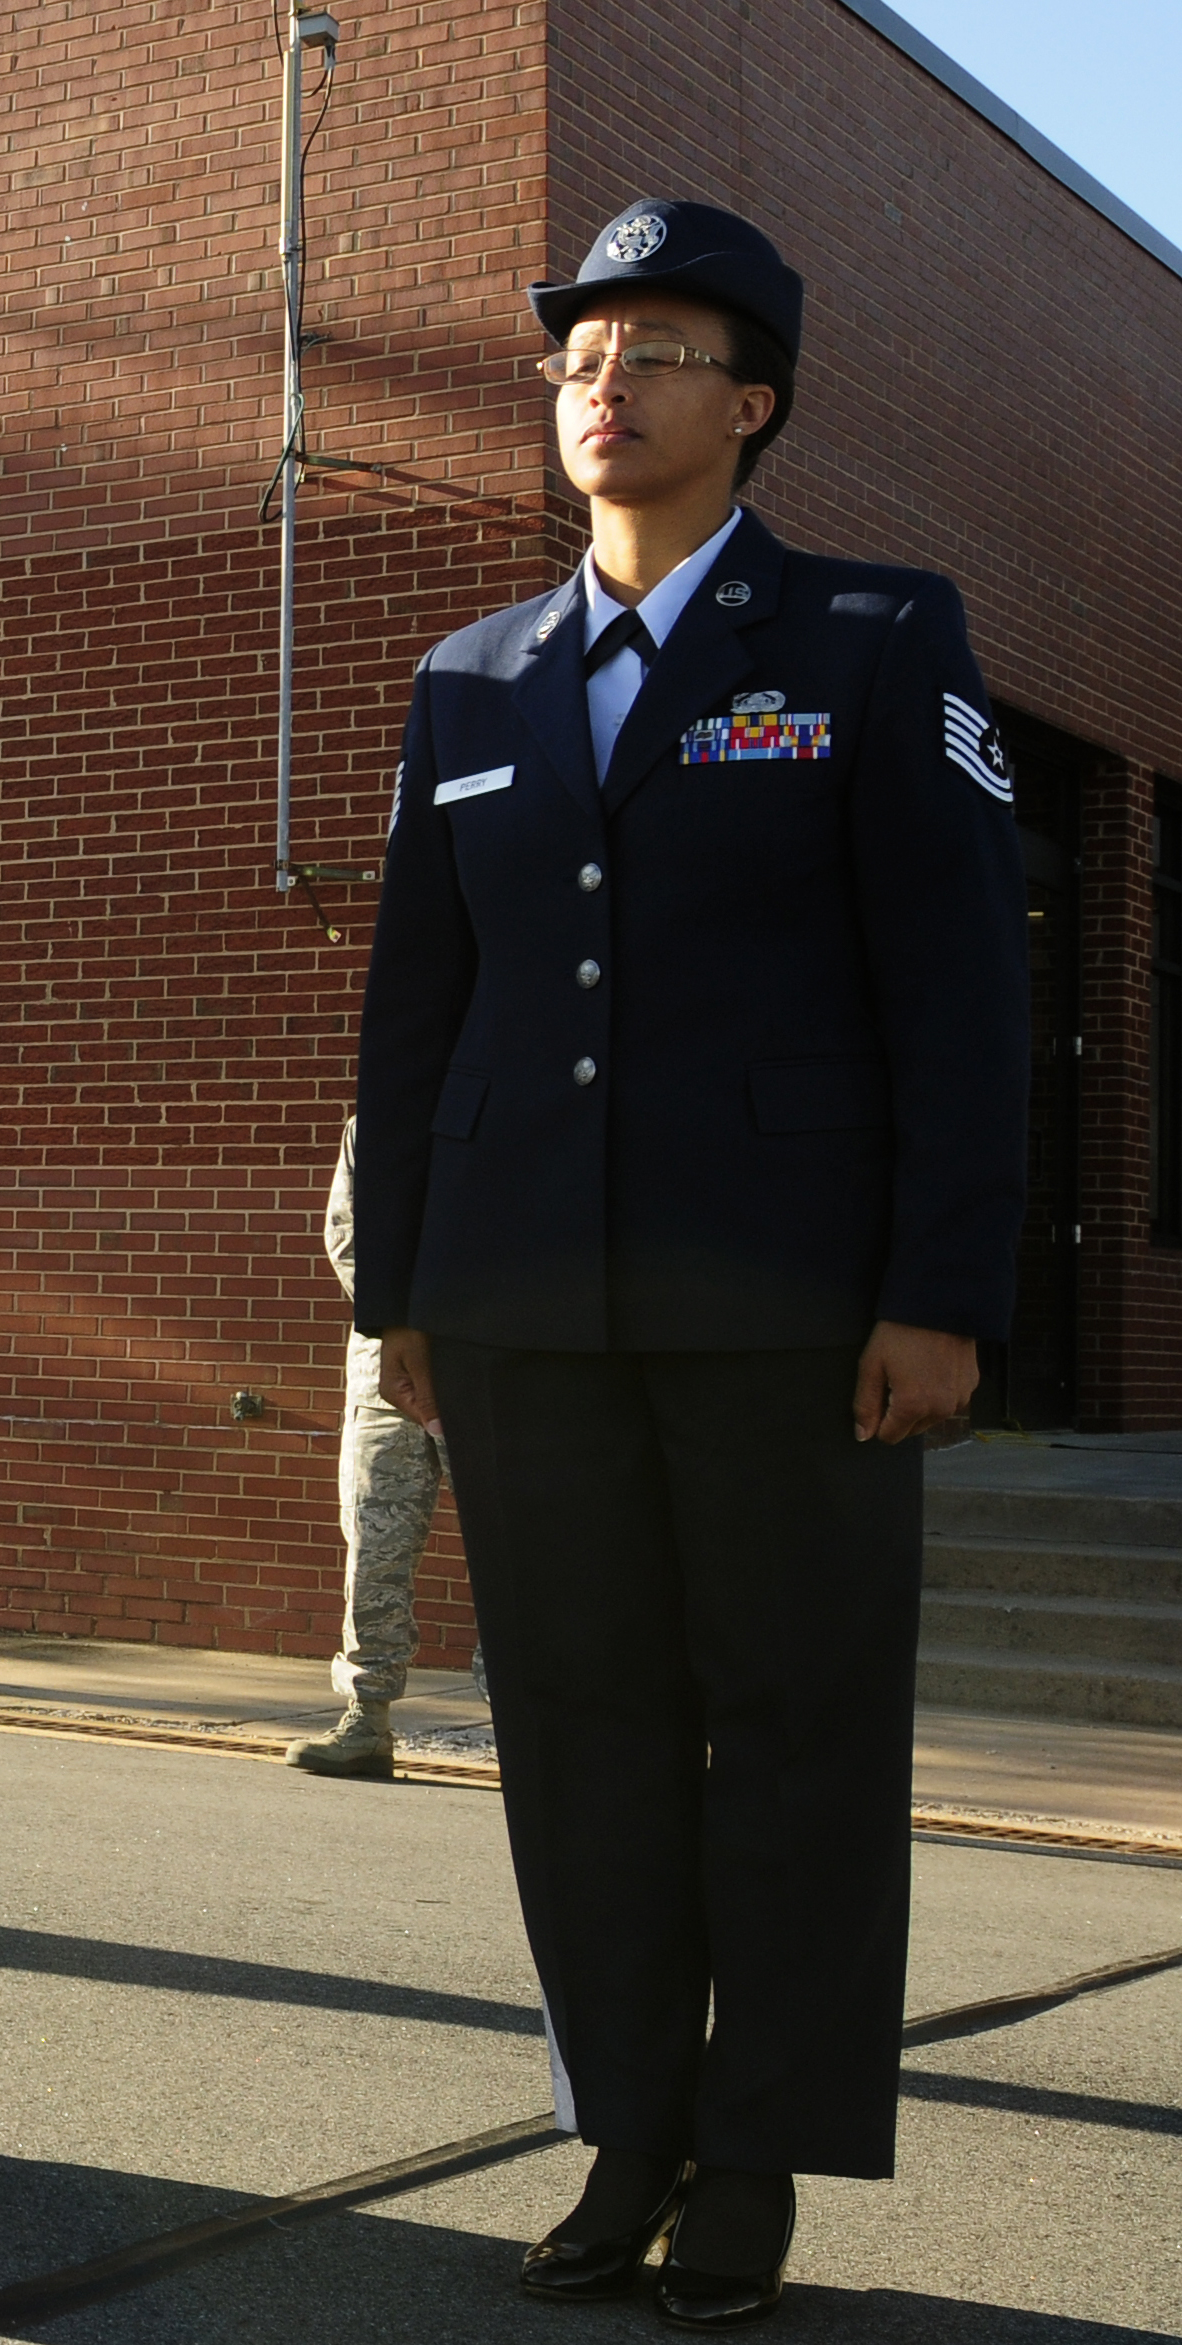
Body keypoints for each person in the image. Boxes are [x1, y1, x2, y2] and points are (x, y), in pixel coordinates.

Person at [356, 200, 1026, 2324]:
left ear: (748, 404)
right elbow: (412, 1010)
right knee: (575, 1730)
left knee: (796, 1728)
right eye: (574, 354)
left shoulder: (865, 634)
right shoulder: (469, 675)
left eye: (652, 351)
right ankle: (622, 2129)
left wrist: (938, 1287)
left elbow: (956, 989)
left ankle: (754, 2157)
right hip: (523, 1300)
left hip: (790, 1308)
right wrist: (394, 1297)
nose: (600, 384)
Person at [285, 1115, 479, 1778]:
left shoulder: (505, 1108)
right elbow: (347, 1232)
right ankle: (366, 1720)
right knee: (373, 1542)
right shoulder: (375, 1126)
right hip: (383, 1364)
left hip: (484, 1360)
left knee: (510, 1542)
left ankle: (524, 1718)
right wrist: (399, 1322)